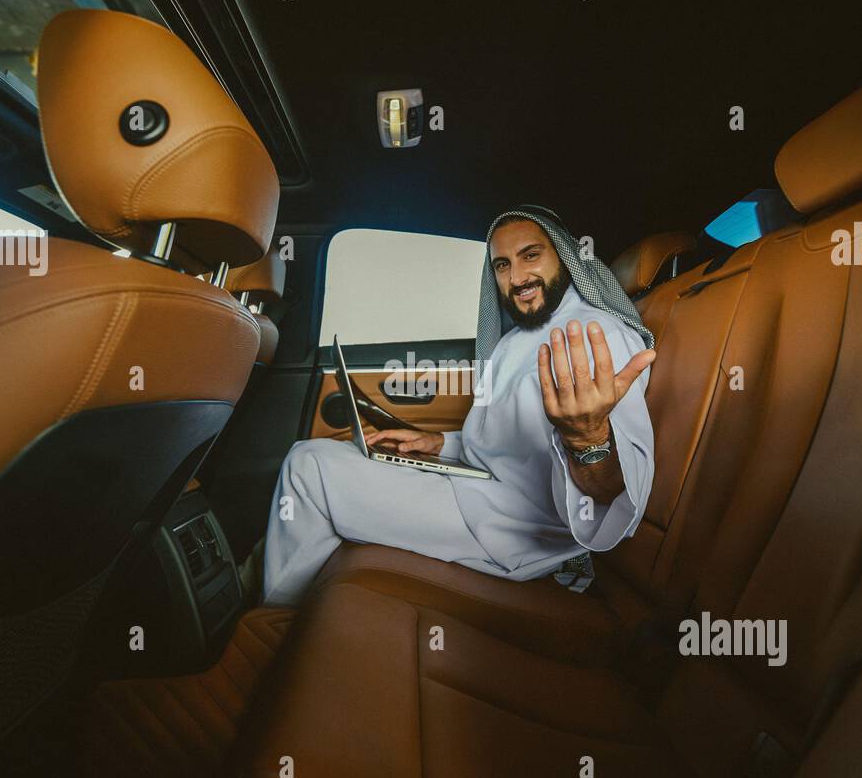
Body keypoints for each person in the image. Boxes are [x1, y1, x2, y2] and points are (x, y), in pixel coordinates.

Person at [261, 205, 657, 605]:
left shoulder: (596, 335)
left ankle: (275, 621)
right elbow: (503, 443)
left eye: (531, 255)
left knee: (306, 468)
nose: (517, 278)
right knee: (324, 455)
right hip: (478, 493)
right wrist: (439, 444)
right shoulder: (514, 340)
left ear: (566, 257)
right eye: (502, 265)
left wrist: (587, 437)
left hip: (513, 529)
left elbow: (613, 495)